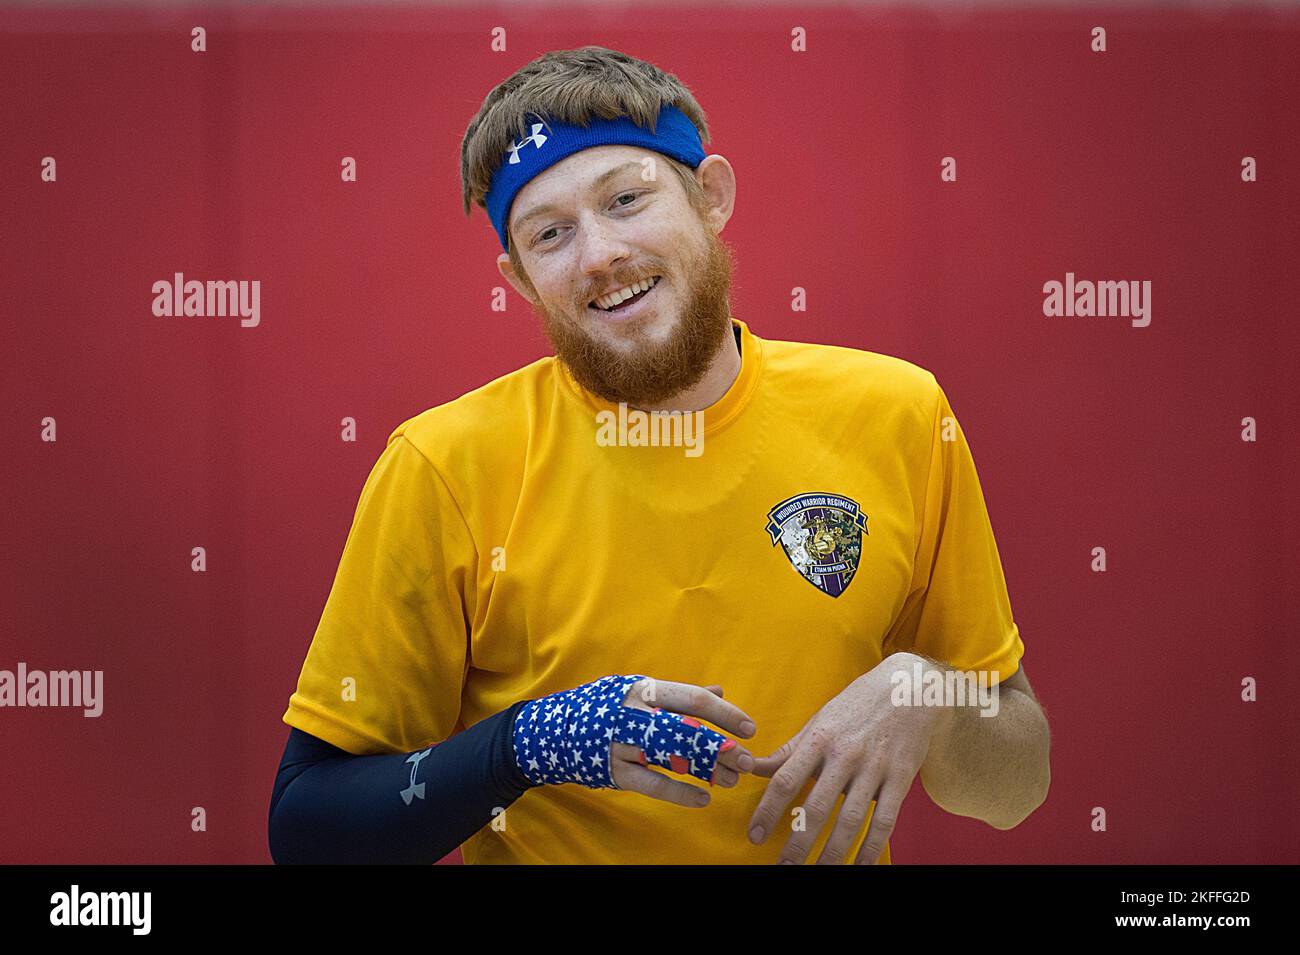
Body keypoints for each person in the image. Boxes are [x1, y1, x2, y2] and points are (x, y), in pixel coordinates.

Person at [268, 45, 1051, 866]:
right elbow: (308, 830)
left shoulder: (898, 413)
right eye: (551, 233)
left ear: (711, 196)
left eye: (626, 199)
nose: (599, 254)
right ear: (522, 279)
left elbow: (1018, 785)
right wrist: (519, 745)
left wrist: (928, 696)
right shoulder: (442, 465)